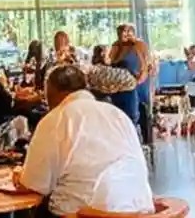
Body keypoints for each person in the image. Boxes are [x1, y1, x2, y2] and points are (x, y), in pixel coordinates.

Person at [15, 65, 154, 217]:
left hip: (86, 215)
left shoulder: (56, 119)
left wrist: (18, 176)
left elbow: (34, 185)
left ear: (51, 92)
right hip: (138, 211)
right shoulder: (117, 115)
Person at [108, 25, 148, 129]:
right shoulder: (116, 46)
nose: (125, 35)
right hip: (119, 86)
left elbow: (145, 65)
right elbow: (111, 62)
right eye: (122, 32)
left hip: (133, 86)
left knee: (134, 117)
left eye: (127, 32)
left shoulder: (138, 45)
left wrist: (139, 79)